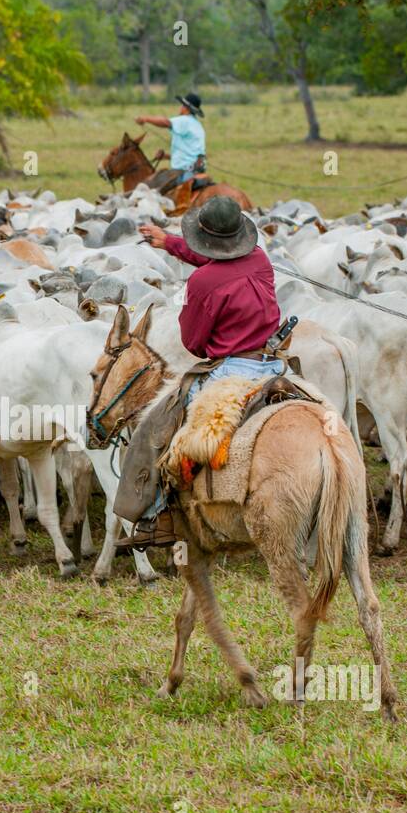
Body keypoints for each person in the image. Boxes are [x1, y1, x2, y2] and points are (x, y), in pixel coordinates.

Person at [115, 196, 285, 550]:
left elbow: (193, 341)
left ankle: (157, 517)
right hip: (273, 362)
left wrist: (191, 304)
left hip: (231, 370)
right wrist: (171, 243)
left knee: (158, 427)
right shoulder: (259, 259)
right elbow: (218, 264)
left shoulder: (203, 282)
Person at [135, 92, 206, 184]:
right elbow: (189, 155)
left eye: (182, 105)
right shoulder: (198, 125)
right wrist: (166, 156)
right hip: (197, 170)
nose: (181, 107)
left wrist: (146, 119)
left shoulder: (185, 120)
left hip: (184, 171)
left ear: (186, 108)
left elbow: (166, 122)